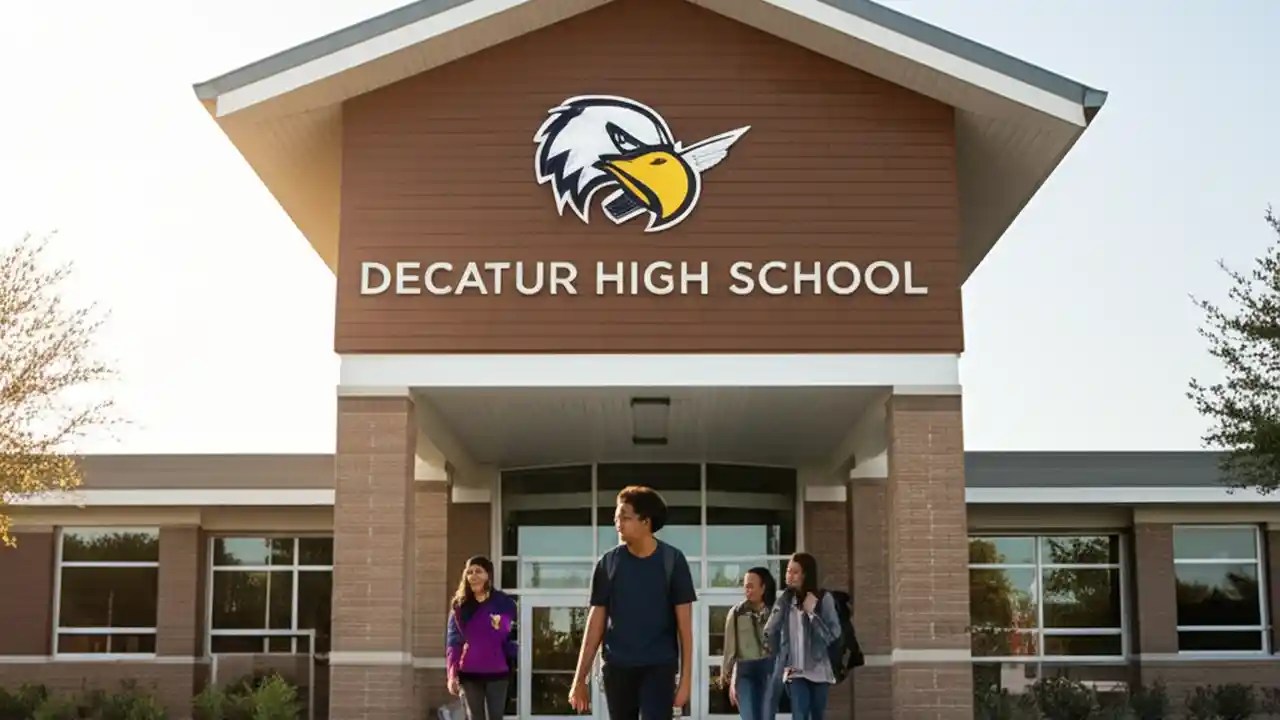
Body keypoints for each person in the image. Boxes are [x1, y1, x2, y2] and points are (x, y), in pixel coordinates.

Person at [568, 485, 698, 720]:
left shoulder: (673, 562)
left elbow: (685, 630)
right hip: (618, 667)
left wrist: (686, 681)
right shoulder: (608, 564)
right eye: (617, 518)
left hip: (659, 666)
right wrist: (580, 679)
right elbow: (595, 623)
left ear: (646, 521)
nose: (618, 523)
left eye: (625, 518)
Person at [764, 553, 840, 720]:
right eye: (788, 571)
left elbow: (833, 634)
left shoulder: (823, 599)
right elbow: (769, 630)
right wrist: (781, 657)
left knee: (816, 716)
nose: (789, 576)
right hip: (795, 672)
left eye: (795, 572)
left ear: (806, 574)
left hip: (819, 669)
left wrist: (812, 614)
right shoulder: (784, 601)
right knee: (800, 715)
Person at [446, 555, 517, 720]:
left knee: (495, 717)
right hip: (469, 673)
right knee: (474, 717)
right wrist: (452, 674)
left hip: (498, 672)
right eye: (470, 572)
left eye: (478, 571)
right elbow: (453, 642)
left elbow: (510, 635)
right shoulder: (459, 606)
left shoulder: (504, 602)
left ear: (488, 575)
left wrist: (501, 627)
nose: (474, 575)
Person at [721, 566, 780, 720]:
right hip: (745, 670)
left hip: (768, 669)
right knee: (749, 716)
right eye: (745, 586)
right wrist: (727, 676)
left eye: (751, 586)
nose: (747, 589)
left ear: (763, 588)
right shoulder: (736, 613)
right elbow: (730, 648)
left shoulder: (775, 612)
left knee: (766, 716)